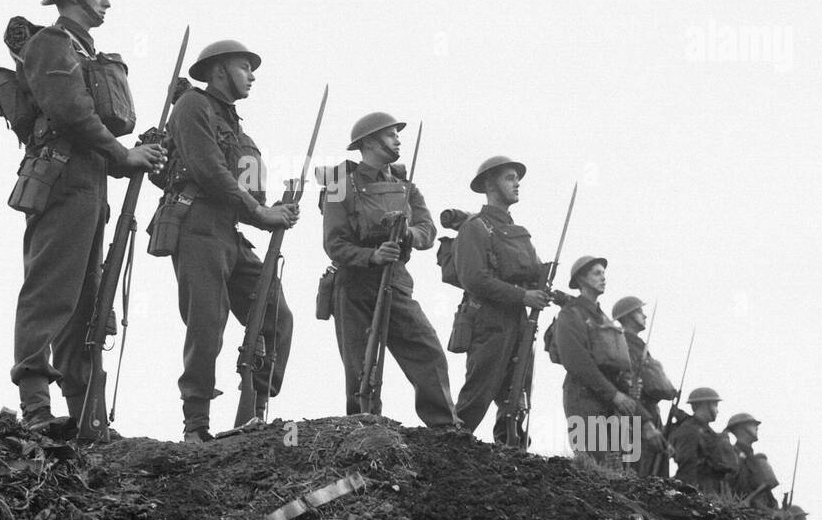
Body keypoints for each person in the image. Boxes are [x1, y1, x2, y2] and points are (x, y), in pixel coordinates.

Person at [10, 0, 167, 433]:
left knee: (86, 303)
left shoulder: (88, 52)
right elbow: (72, 112)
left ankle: (85, 418)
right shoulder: (52, 45)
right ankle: (36, 405)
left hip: (90, 183)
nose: (107, 1)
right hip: (63, 180)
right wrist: (123, 155)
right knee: (51, 291)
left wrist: (129, 154)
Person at [162, 40, 298, 442]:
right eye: (245, 67)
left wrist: (276, 211)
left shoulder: (241, 131)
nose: (252, 76)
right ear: (220, 69)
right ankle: (196, 425)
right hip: (198, 225)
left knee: (276, 314)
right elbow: (208, 172)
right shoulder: (192, 107)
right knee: (207, 323)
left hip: (230, 233)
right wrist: (260, 213)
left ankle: (254, 404)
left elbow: (251, 197)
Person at [319, 113, 456, 427]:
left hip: (395, 281)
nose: (398, 140)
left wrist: (409, 234)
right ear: (368, 141)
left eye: (398, 134)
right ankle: (365, 429)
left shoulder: (406, 187)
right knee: (361, 366)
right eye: (391, 134)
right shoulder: (340, 186)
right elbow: (334, 243)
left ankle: (446, 428)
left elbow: (427, 229)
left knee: (427, 350)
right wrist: (372, 255)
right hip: (354, 284)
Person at [451, 155, 552, 444]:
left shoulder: (518, 233)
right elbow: (475, 279)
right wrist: (523, 295)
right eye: (509, 178)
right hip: (489, 321)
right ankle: (450, 448)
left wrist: (541, 291)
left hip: (520, 321)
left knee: (517, 394)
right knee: (478, 393)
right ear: (489, 184)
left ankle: (511, 455)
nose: (517, 183)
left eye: (516, 178)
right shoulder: (475, 227)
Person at [553, 256, 642, 465]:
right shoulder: (570, 314)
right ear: (581, 280)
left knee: (619, 467)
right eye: (596, 273)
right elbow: (577, 361)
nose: (603, 278)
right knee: (592, 466)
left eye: (603, 273)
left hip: (610, 400)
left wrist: (625, 390)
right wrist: (614, 395)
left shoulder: (604, 319)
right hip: (584, 398)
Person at [612, 296, 677, 478]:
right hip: (636, 415)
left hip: (649, 413)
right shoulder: (624, 343)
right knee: (639, 475)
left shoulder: (639, 345)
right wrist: (646, 424)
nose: (645, 316)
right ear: (628, 315)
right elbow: (627, 385)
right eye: (640, 311)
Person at [668, 387, 739, 494]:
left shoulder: (706, 431)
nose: (717, 410)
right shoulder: (688, 430)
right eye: (715, 405)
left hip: (713, 489)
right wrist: (689, 492)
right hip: (698, 490)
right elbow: (687, 466)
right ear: (705, 405)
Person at [726, 412, 780, 508]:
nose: (756, 428)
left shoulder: (754, 458)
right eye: (752, 425)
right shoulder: (732, 454)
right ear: (741, 428)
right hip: (741, 508)